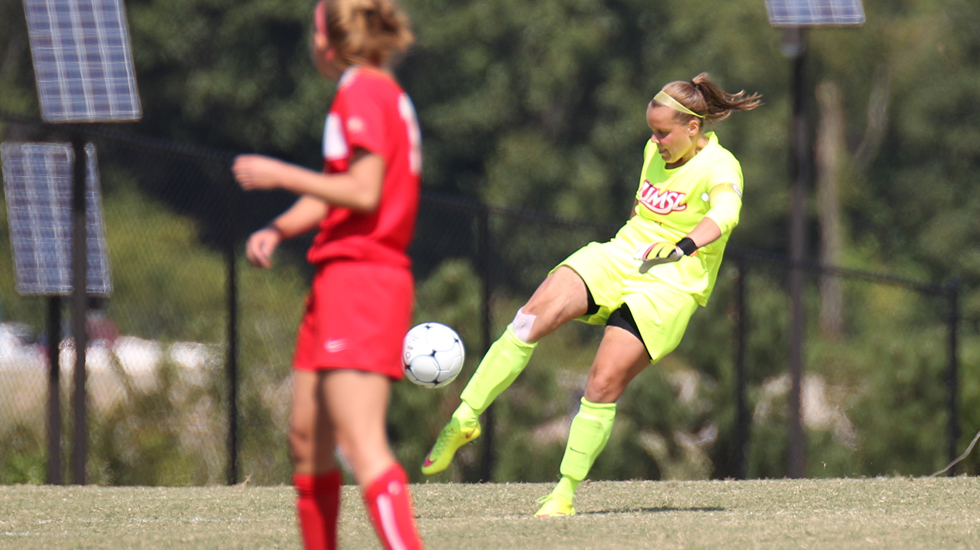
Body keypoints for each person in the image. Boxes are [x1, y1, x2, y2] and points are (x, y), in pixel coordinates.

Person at [421, 73, 761, 517]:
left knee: (601, 383)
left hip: (671, 285)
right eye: (651, 131)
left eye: (663, 133)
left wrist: (682, 246)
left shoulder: (721, 166)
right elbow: (642, 212)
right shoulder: (652, 151)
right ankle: (465, 417)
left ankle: (563, 493)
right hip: (622, 255)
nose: (655, 141)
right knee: (529, 317)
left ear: (693, 128)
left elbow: (726, 213)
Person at [232, 1, 424, 548]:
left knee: (360, 444)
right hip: (339, 275)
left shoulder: (361, 89)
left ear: (331, 40)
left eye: (315, 31)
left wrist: (276, 172)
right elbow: (336, 189)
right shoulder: (376, 88)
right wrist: (280, 228)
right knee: (307, 440)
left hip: (364, 276)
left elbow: (364, 190)